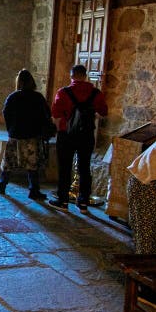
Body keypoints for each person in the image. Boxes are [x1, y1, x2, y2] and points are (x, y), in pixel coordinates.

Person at [48, 64, 108, 212]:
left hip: (66, 134)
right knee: (85, 168)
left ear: (71, 76)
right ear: (85, 76)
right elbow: (103, 112)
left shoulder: (63, 92)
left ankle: (63, 201)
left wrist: (61, 126)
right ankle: (83, 203)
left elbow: (55, 114)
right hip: (86, 135)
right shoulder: (96, 93)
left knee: (65, 168)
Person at [0, 69, 52, 201]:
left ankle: (1, 185)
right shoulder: (38, 97)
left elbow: (6, 113)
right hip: (32, 136)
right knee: (32, 164)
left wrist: (11, 129)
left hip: (16, 134)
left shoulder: (13, 97)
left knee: (8, 162)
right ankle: (34, 190)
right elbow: (46, 115)